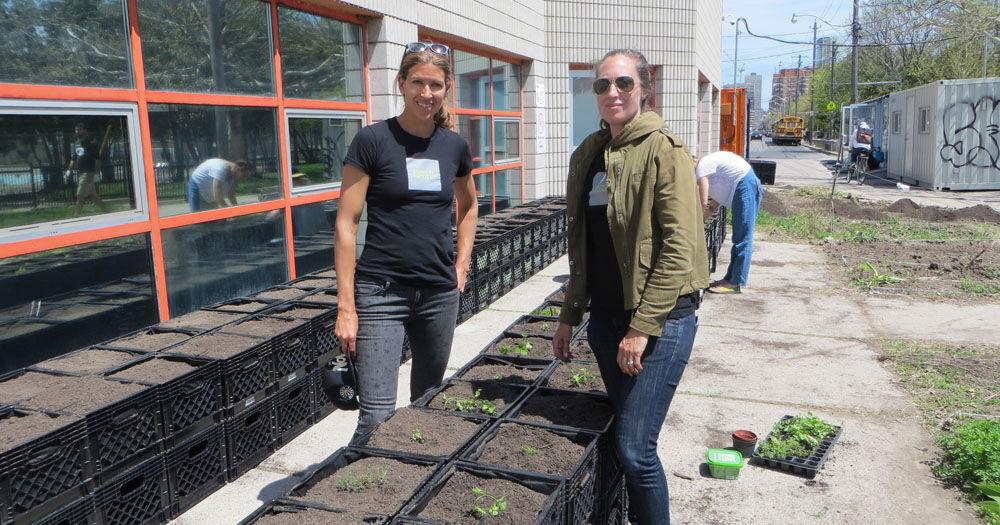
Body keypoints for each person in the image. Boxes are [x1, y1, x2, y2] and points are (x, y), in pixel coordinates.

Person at [552, 49, 709, 525]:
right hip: (605, 320)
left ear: (644, 89)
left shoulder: (665, 151)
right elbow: (583, 244)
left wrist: (641, 329)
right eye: (602, 85)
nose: (612, 93)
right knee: (625, 438)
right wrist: (568, 315)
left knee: (637, 450)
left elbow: (680, 249)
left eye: (622, 83)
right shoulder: (589, 153)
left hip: (660, 320)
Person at [334, 41, 477, 442]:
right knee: (376, 418)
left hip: (438, 293)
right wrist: (346, 307)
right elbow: (347, 223)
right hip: (382, 291)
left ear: (447, 87)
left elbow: (469, 206)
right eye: (417, 82)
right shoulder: (373, 141)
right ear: (401, 83)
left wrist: (462, 264)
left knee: (427, 405)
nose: (425, 94)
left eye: (435, 84)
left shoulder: (454, 146)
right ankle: (365, 495)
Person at [696, 151, 763, 294]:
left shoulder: (701, 168)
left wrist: (692, 223)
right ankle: (729, 279)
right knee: (739, 237)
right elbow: (712, 205)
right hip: (744, 185)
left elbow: (702, 202)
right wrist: (699, 223)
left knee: (742, 237)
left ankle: (734, 283)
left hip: (746, 185)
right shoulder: (712, 170)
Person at [65, 123, 108, 216]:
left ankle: (76, 214)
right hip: (81, 173)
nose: (77, 131)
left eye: (79, 129)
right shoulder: (76, 143)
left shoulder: (90, 143)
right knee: (93, 196)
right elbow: (73, 158)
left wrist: (96, 172)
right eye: (76, 129)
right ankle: (106, 211)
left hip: (88, 172)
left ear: (84, 130)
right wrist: (68, 170)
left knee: (79, 194)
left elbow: (97, 159)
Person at [187, 158, 252, 212]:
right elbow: (217, 194)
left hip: (208, 192)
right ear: (238, 169)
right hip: (197, 186)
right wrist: (228, 211)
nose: (244, 179)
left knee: (215, 219)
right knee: (197, 218)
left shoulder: (233, 172)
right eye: (244, 176)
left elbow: (231, 194)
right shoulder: (221, 169)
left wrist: (237, 210)